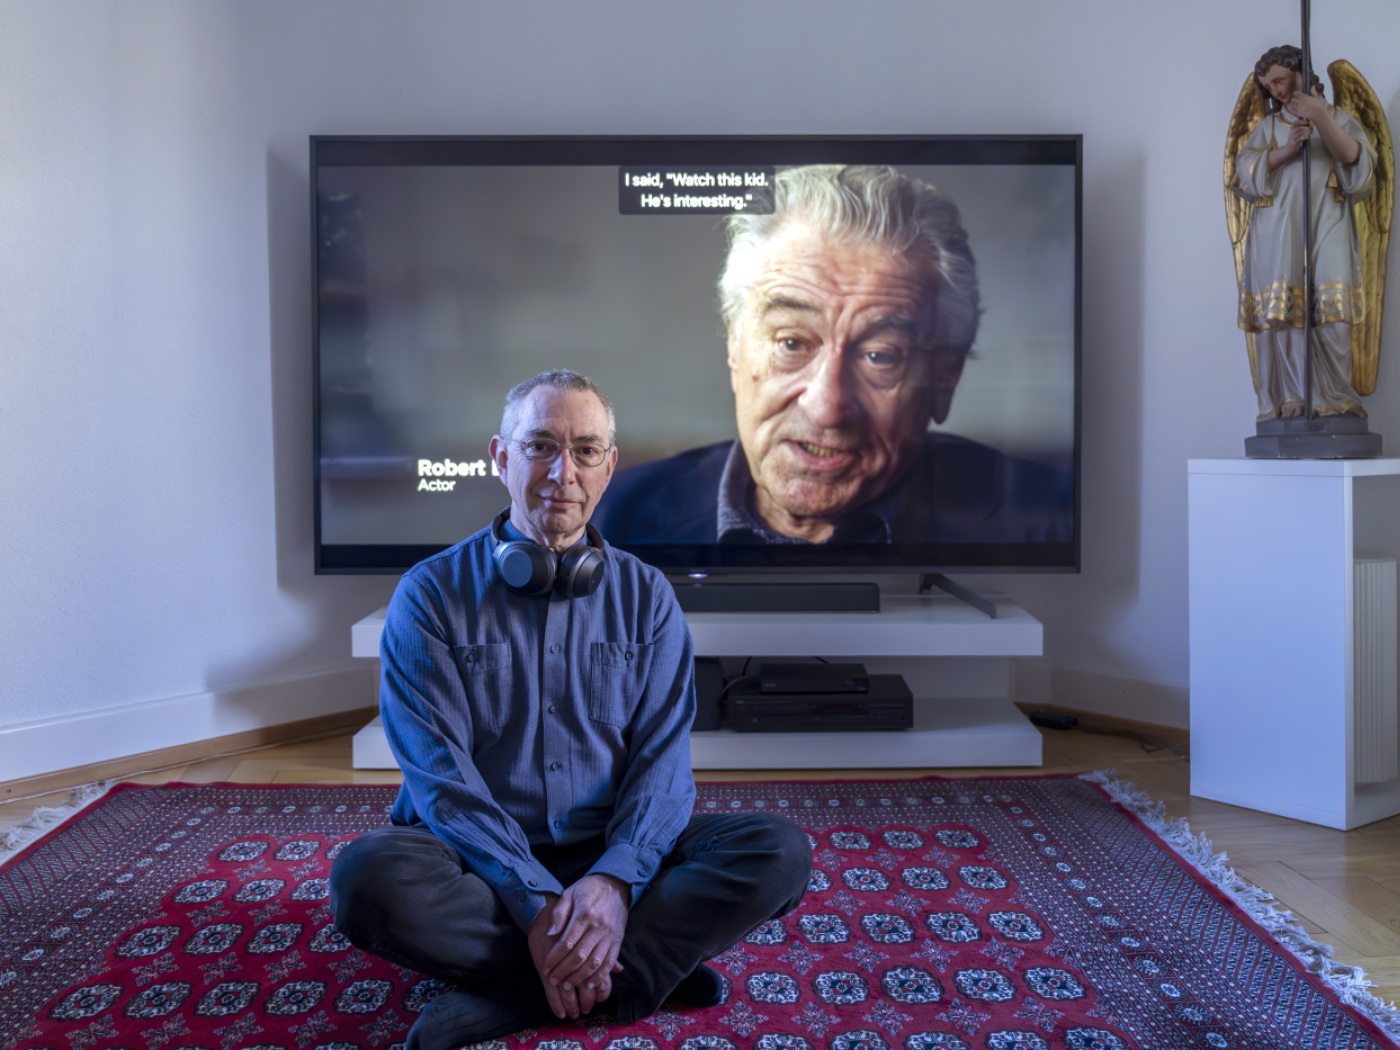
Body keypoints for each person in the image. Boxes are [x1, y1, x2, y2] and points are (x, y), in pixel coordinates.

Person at [329, 370, 811, 1049]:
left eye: (585, 450)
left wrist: (613, 883)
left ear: (609, 467)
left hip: (607, 847)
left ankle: (526, 992)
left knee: (778, 851)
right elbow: (445, 788)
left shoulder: (648, 599)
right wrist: (538, 900)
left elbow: (662, 770)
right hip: (475, 860)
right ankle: (639, 970)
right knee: (366, 882)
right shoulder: (428, 596)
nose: (564, 472)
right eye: (541, 447)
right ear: (501, 457)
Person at [595, 164, 1072, 546]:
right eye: (791, 343)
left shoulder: (1047, 518)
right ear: (735, 345)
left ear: (944, 378)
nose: (827, 407)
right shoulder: (606, 520)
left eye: (881, 356)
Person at [1232, 45, 1376, 419]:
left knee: (1334, 313)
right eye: (1269, 85)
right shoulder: (1268, 127)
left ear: (1301, 72)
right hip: (1278, 229)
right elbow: (1242, 174)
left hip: (1328, 221)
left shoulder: (1339, 119)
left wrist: (1318, 116)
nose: (1277, 91)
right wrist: (1284, 151)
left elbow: (1356, 161)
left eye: (1281, 79)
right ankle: (1293, 396)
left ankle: (1336, 398)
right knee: (1284, 311)